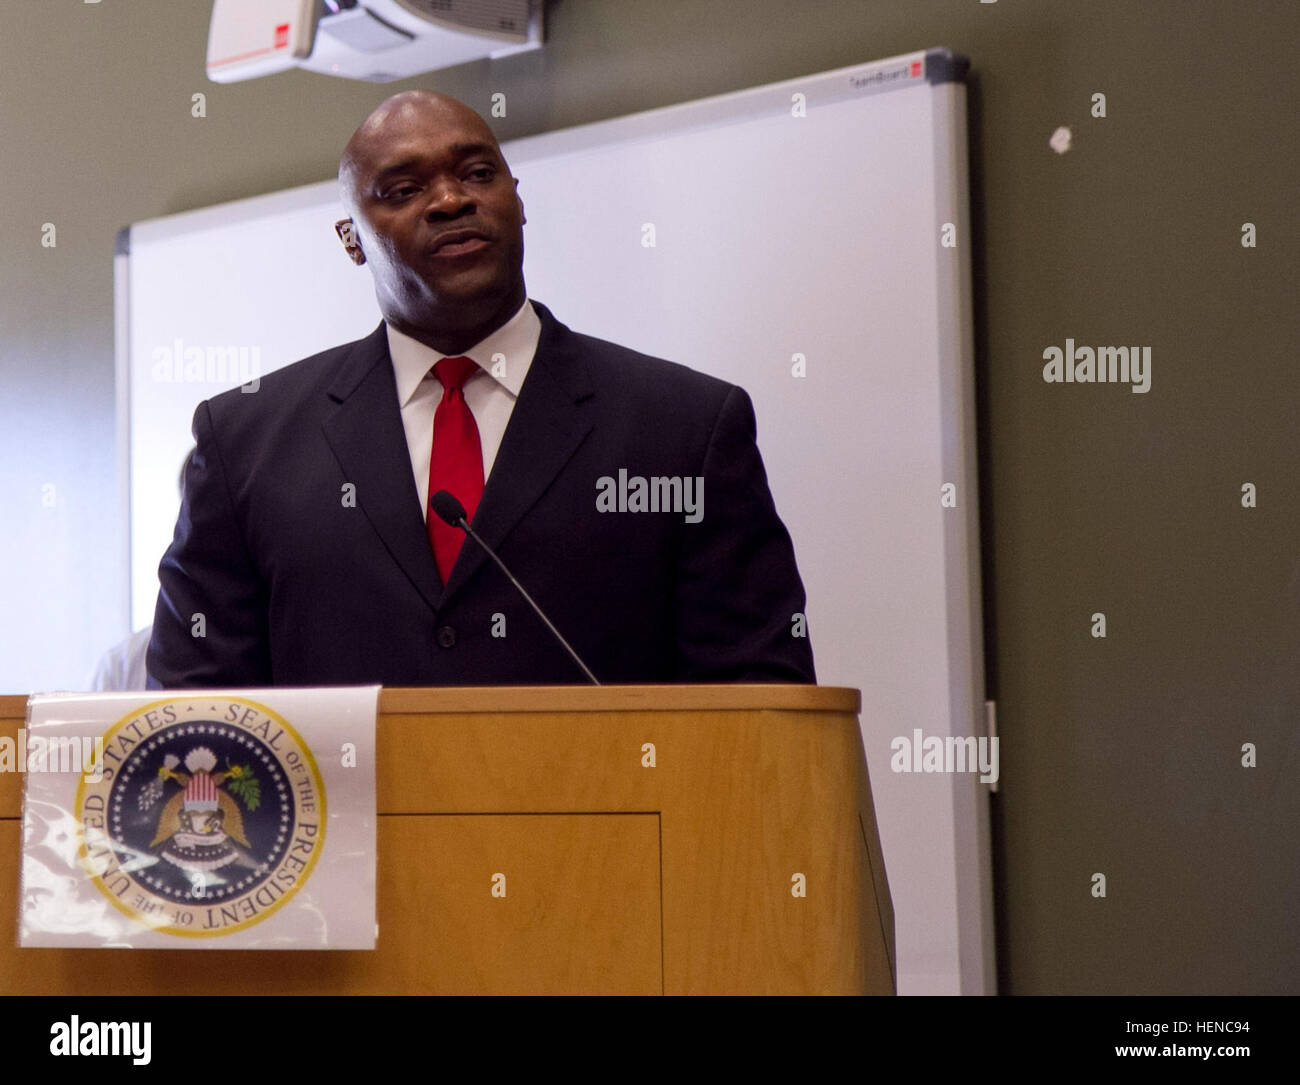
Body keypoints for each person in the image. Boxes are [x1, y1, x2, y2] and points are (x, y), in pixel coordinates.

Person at [147, 91, 813, 688]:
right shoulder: (244, 444)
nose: (450, 200)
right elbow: (191, 711)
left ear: (517, 199)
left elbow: (760, 699)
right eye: (403, 189)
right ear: (351, 240)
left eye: (476, 173)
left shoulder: (683, 429)